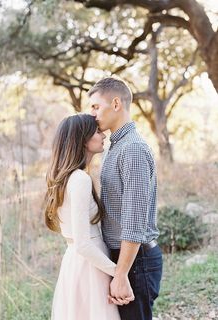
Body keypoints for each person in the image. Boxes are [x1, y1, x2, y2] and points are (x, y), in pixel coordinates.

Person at [89, 77, 163, 320]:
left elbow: (133, 222)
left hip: (135, 262)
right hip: (125, 260)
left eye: (96, 107)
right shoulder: (114, 146)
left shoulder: (132, 149)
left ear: (117, 103)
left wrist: (121, 275)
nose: (92, 114)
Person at [43, 114, 121, 320]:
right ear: (83, 139)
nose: (103, 134)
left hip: (78, 263)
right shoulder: (79, 180)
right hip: (90, 266)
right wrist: (120, 274)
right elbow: (83, 244)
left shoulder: (66, 178)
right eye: (96, 131)